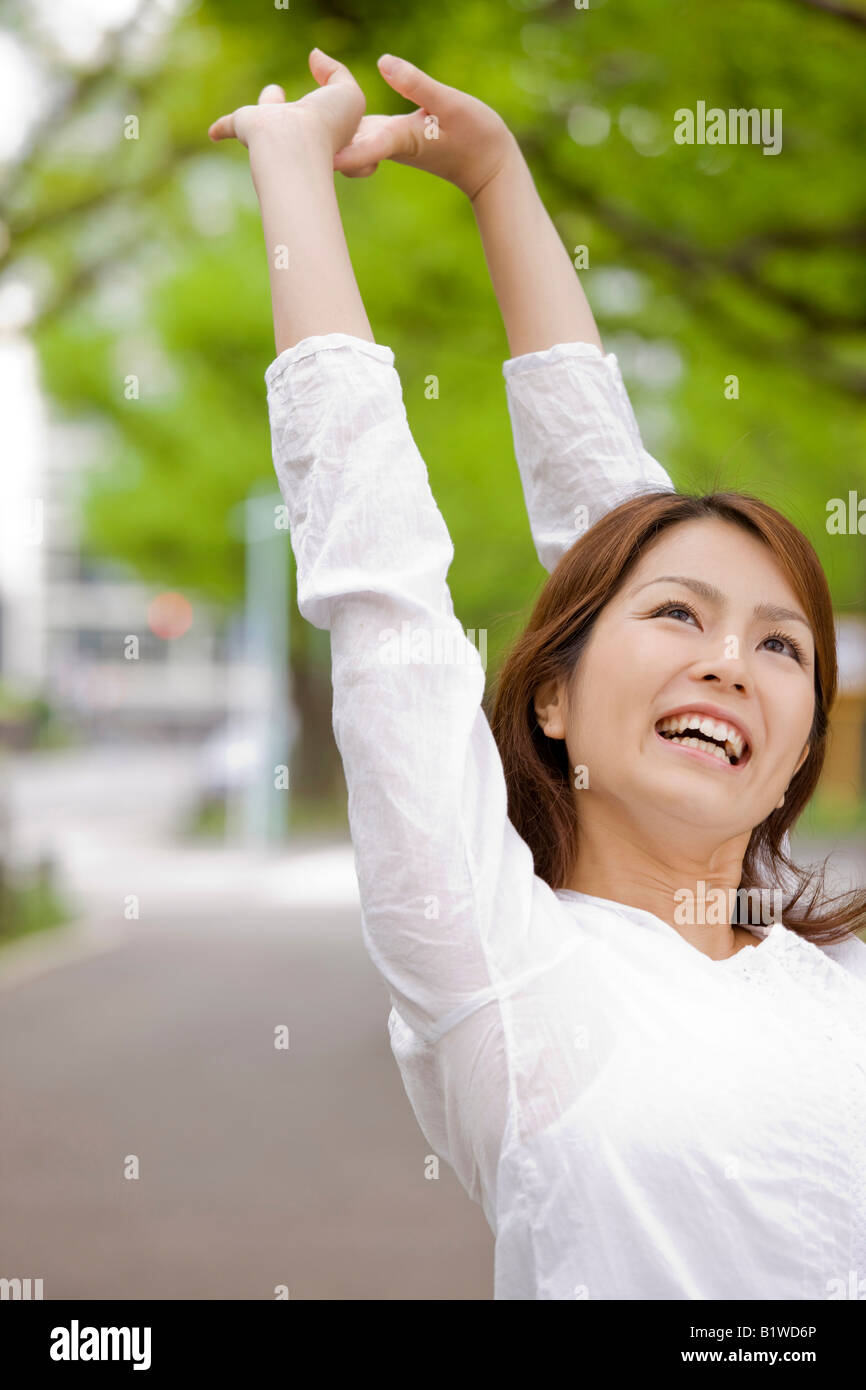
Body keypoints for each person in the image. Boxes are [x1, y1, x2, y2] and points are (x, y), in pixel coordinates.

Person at [208, 51, 866, 1301]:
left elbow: (622, 536)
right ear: (550, 698)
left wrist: (498, 178)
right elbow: (386, 605)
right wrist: (292, 175)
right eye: (679, 619)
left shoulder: (834, 979)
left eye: (780, 644)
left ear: (796, 749)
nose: (728, 661)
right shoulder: (511, 979)